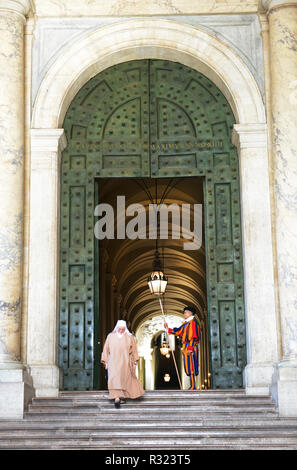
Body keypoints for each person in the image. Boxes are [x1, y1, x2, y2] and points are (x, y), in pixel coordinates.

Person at [101, 320, 145, 408]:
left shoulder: (129, 337)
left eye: (122, 329)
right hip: (113, 362)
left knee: (124, 380)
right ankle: (116, 398)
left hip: (125, 362)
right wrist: (105, 361)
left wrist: (135, 360)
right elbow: (106, 349)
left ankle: (121, 397)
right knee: (114, 379)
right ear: (116, 328)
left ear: (125, 329)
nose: (121, 330)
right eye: (119, 329)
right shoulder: (110, 336)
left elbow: (134, 350)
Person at [164, 306, 201, 390]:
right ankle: (192, 385)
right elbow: (178, 332)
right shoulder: (186, 324)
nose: (184, 314)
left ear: (190, 313)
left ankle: (193, 385)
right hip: (186, 347)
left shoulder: (193, 323)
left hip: (190, 346)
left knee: (191, 366)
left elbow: (194, 337)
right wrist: (167, 328)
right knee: (188, 366)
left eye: (185, 312)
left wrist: (190, 348)